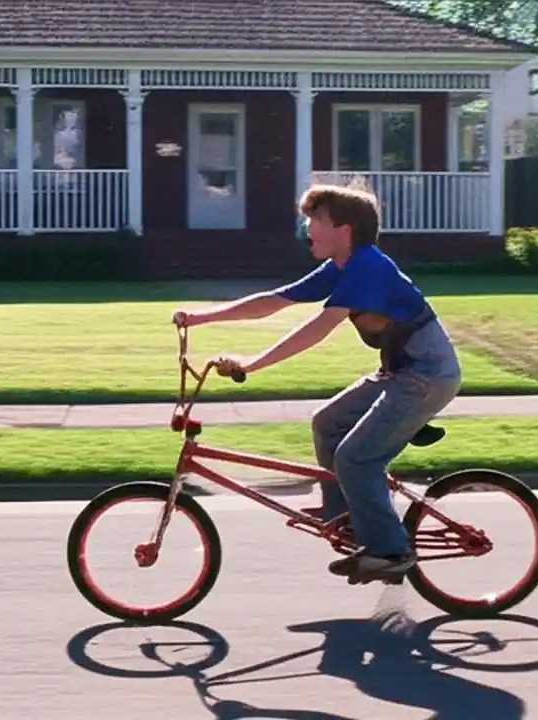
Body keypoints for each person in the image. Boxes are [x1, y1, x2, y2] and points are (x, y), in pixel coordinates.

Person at [171, 181, 462, 581]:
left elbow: (319, 328)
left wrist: (252, 364)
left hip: (426, 376)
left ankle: (390, 551)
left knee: (355, 458)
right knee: (327, 422)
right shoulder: (341, 265)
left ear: (344, 229)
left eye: (315, 220)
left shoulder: (367, 266)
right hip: (402, 371)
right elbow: (274, 301)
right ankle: (349, 519)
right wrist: (199, 318)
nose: (307, 227)